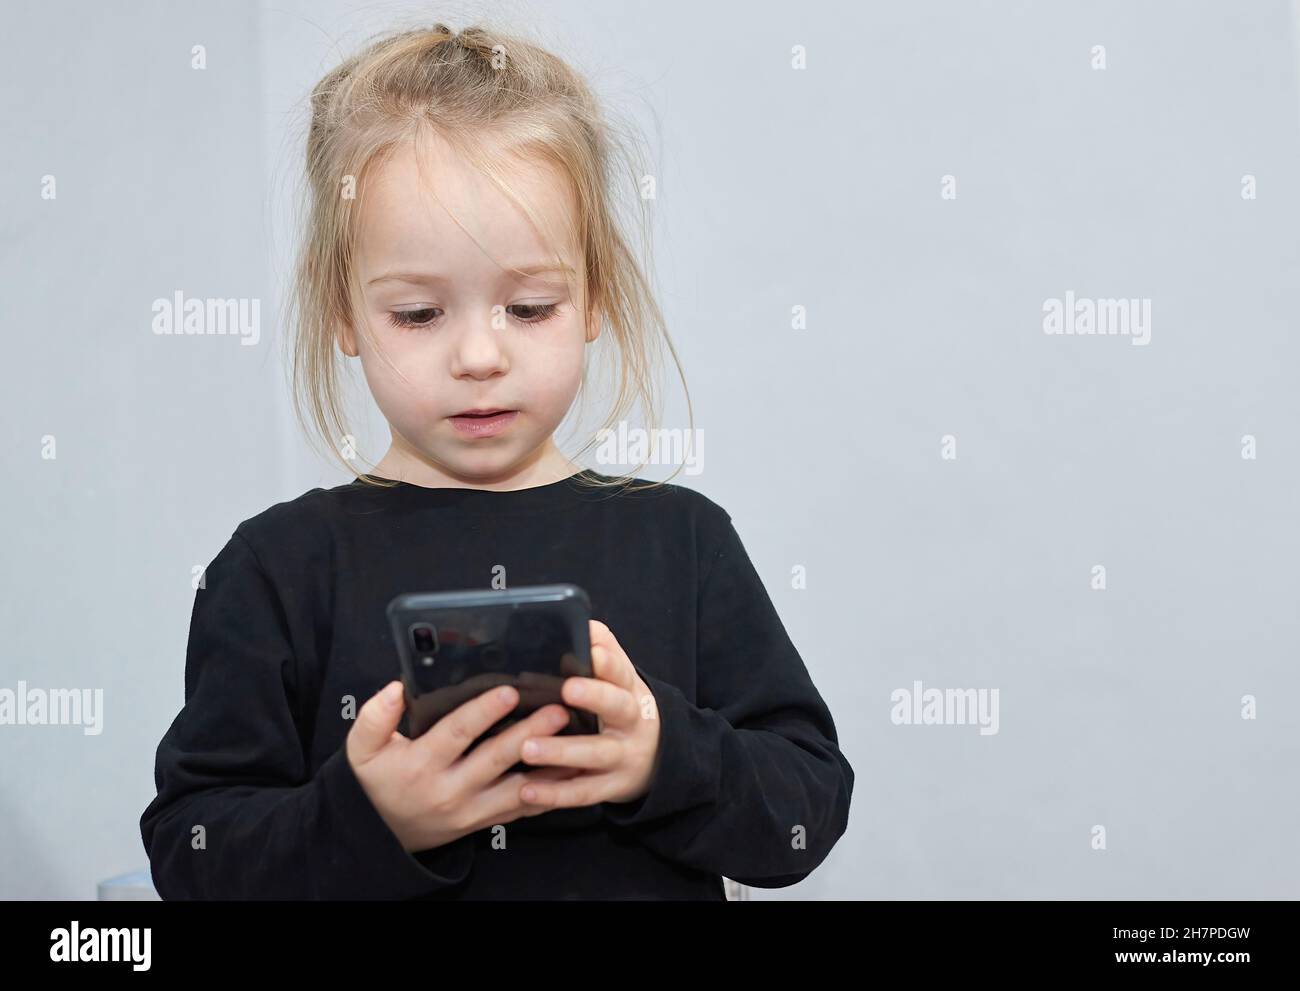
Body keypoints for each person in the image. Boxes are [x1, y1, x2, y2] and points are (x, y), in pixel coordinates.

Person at [139, 22, 854, 900]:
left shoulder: (686, 541)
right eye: (417, 314)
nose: (479, 355)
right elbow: (190, 849)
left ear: (592, 297)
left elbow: (808, 807)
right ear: (342, 314)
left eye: (528, 305)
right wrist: (369, 818)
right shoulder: (278, 566)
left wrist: (662, 754)